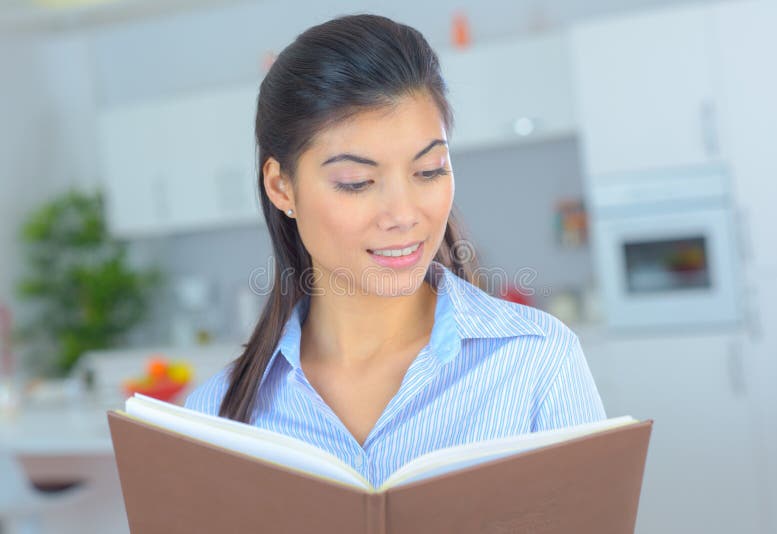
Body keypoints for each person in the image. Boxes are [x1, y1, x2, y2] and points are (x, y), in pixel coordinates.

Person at [184, 13, 606, 489]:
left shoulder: (538, 361)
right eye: (357, 182)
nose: (403, 214)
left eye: (428, 171)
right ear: (282, 187)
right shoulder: (214, 419)